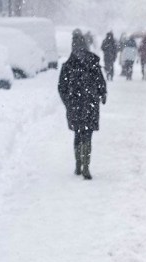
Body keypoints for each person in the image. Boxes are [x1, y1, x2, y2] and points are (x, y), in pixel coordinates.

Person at [57, 29, 107, 180]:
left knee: (78, 134)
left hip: (76, 104)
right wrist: (102, 93)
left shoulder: (68, 65)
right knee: (87, 134)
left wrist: (68, 102)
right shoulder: (92, 62)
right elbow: (100, 81)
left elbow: (61, 87)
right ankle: (86, 165)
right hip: (90, 103)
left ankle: (79, 164)